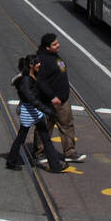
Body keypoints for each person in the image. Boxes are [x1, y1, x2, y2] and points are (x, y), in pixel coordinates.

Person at [31, 32, 86, 165]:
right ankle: (40, 153)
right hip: (48, 101)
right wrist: (52, 96)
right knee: (44, 127)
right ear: (47, 47)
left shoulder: (55, 57)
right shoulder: (41, 60)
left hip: (63, 100)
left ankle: (70, 153)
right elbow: (41, 81)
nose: (58, 45)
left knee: (67, 125)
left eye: (57, 43)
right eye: (54, 44)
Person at [6, 55, 66, 173]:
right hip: (28, 111)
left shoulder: (35, 76)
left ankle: (55, 166)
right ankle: (11, 161)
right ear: (31, 65)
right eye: (37, 63)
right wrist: (48, 111)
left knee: (45, 138)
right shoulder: (26, 80)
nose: (40, 64)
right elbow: (32, 100)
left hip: (36, 111)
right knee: (21, 138)